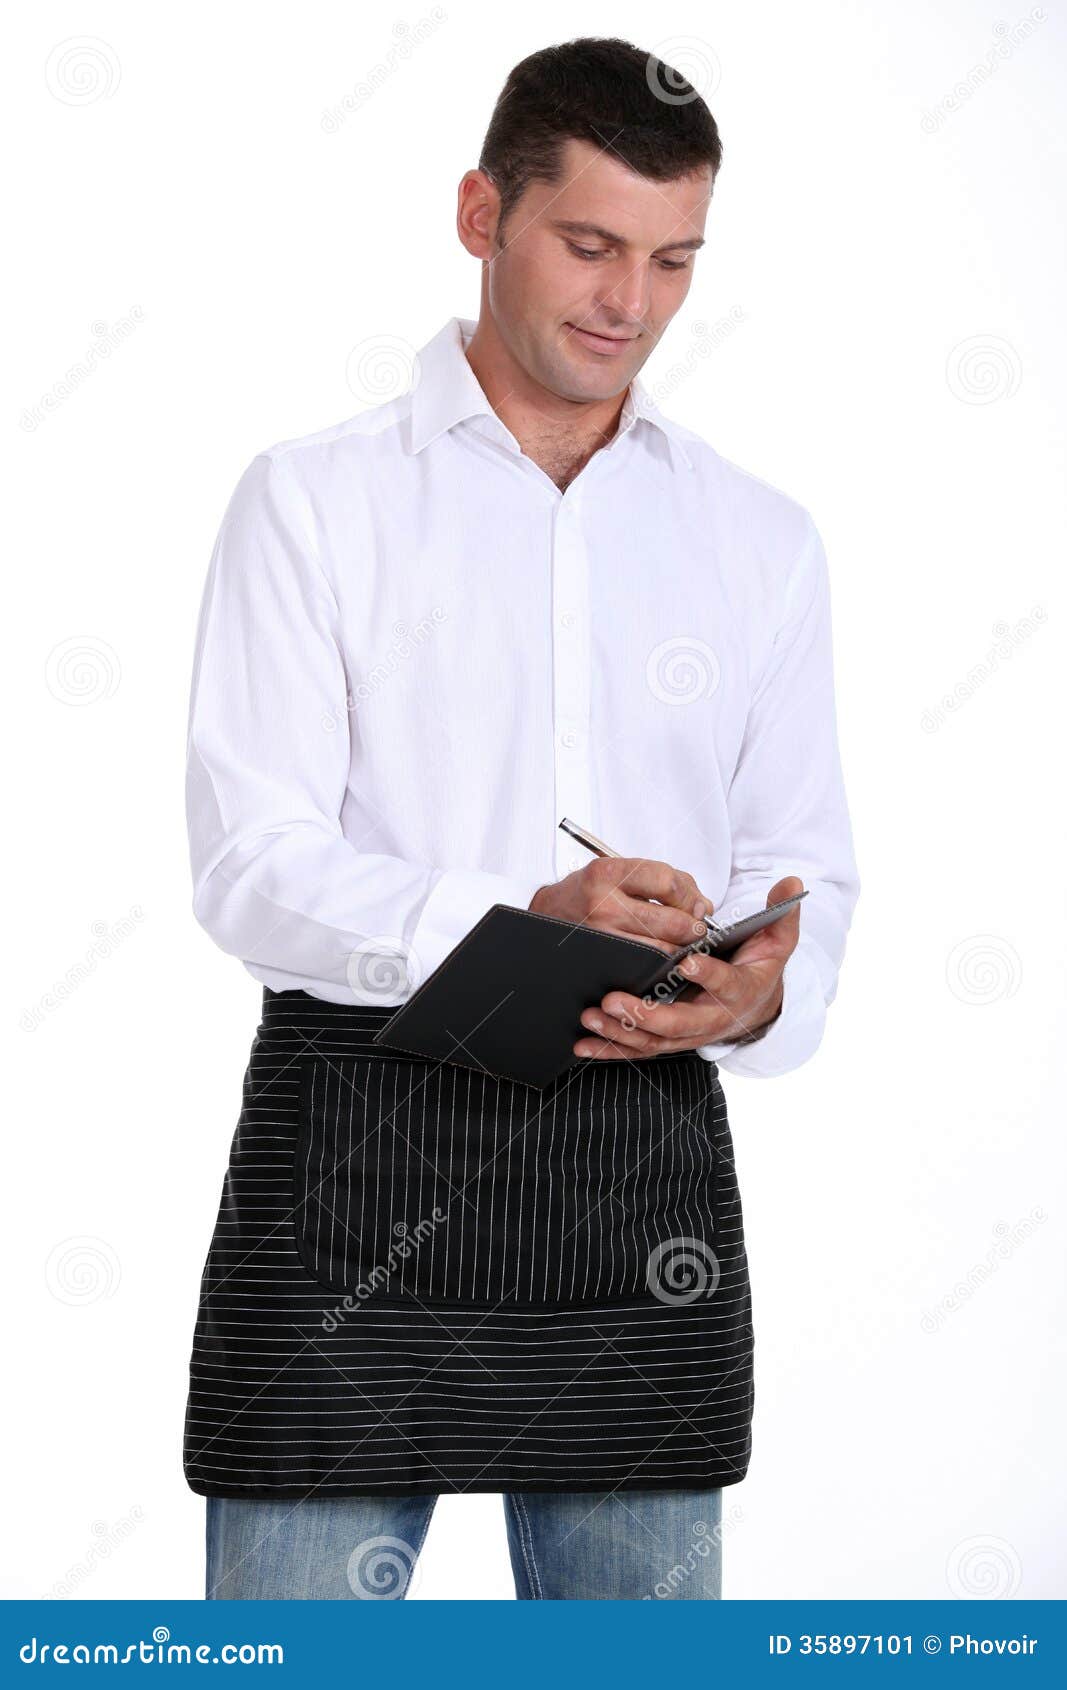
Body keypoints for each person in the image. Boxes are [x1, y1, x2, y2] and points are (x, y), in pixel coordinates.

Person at [183, 35, 860, 1601]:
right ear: (483, 214)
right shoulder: (313, 501)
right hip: (356, 1143)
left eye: (676, 260)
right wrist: (513, 924)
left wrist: (766, 992)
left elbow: (805, 867)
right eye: (591, 244)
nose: (631, 302)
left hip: (638, 1166)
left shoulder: (759, 540)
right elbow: (248, 864)